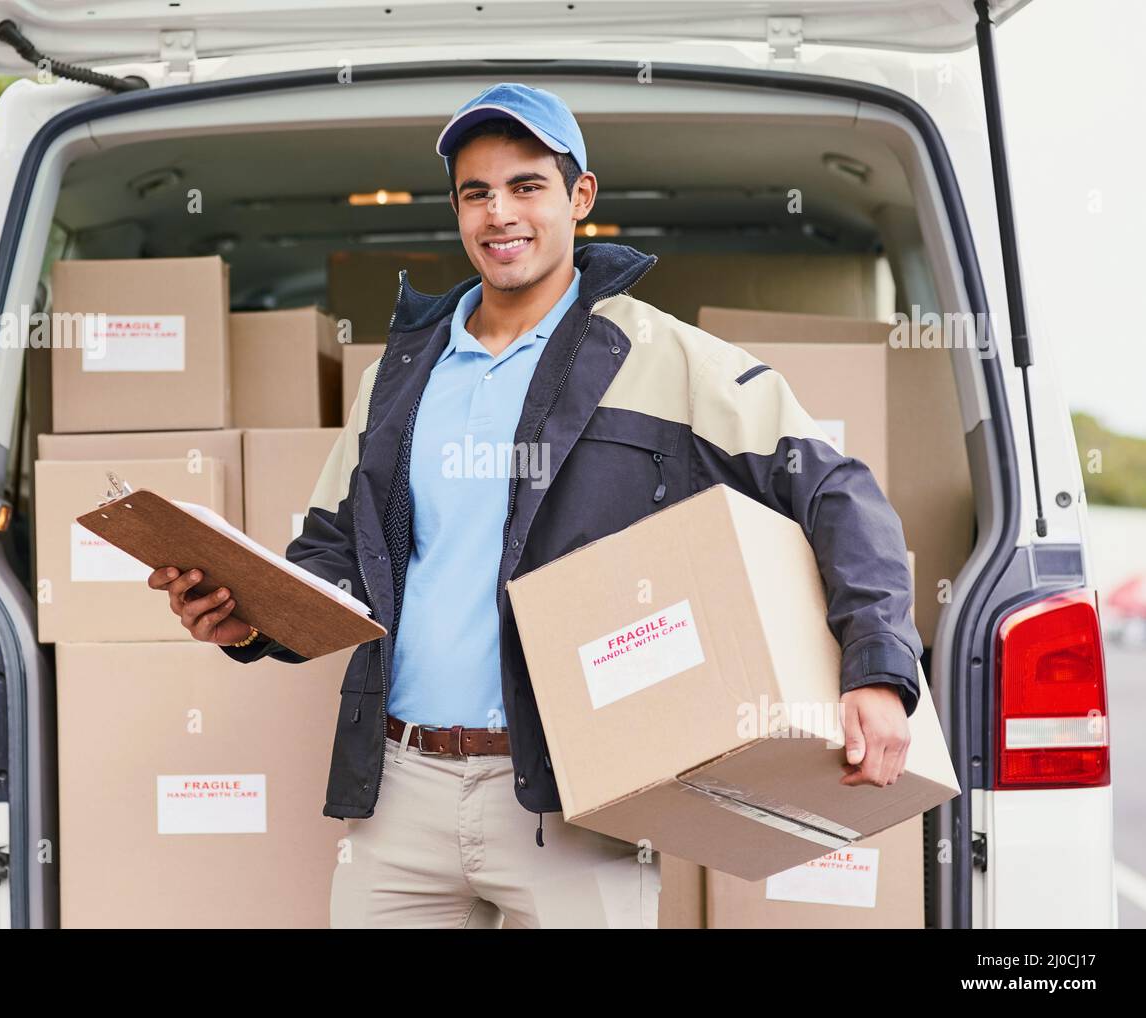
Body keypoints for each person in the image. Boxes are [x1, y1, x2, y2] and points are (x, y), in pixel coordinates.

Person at [148, 82, 921, 929]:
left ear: (580, 197)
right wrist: (250, 621)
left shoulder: (663, 359)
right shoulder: (397, 379)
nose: (499, 214)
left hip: (573, 797)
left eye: (527, 186)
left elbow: (834, 488)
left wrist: (878, 668)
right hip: (400, 789)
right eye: (476, 193)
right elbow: (336, 555)